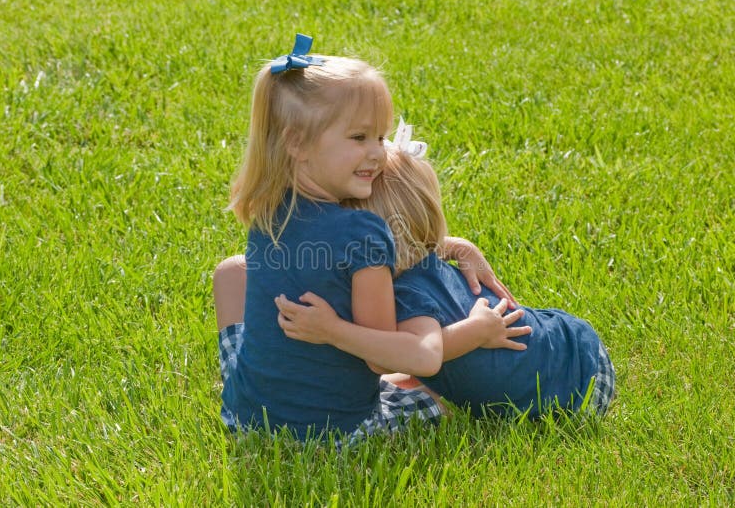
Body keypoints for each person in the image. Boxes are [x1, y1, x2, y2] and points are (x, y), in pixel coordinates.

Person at [216, 34, 528, 441]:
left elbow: (321, 257)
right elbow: (385, 357)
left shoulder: (269, 207)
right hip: (333, 432)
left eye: (380, 137)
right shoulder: (363, 232)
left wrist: (456, 247)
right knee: (425, 390)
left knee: (231, 272)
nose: (378, 154)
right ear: (297, 143)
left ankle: (251, 389)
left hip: (245, 417)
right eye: (359, 138)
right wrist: (476, 329)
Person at [276, 144, 616, 418]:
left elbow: (425, 352)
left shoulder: (405, 294)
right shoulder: (420, 262)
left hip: (577, 382)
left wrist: (478, 330)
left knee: (409, 359)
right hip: (572, 352)